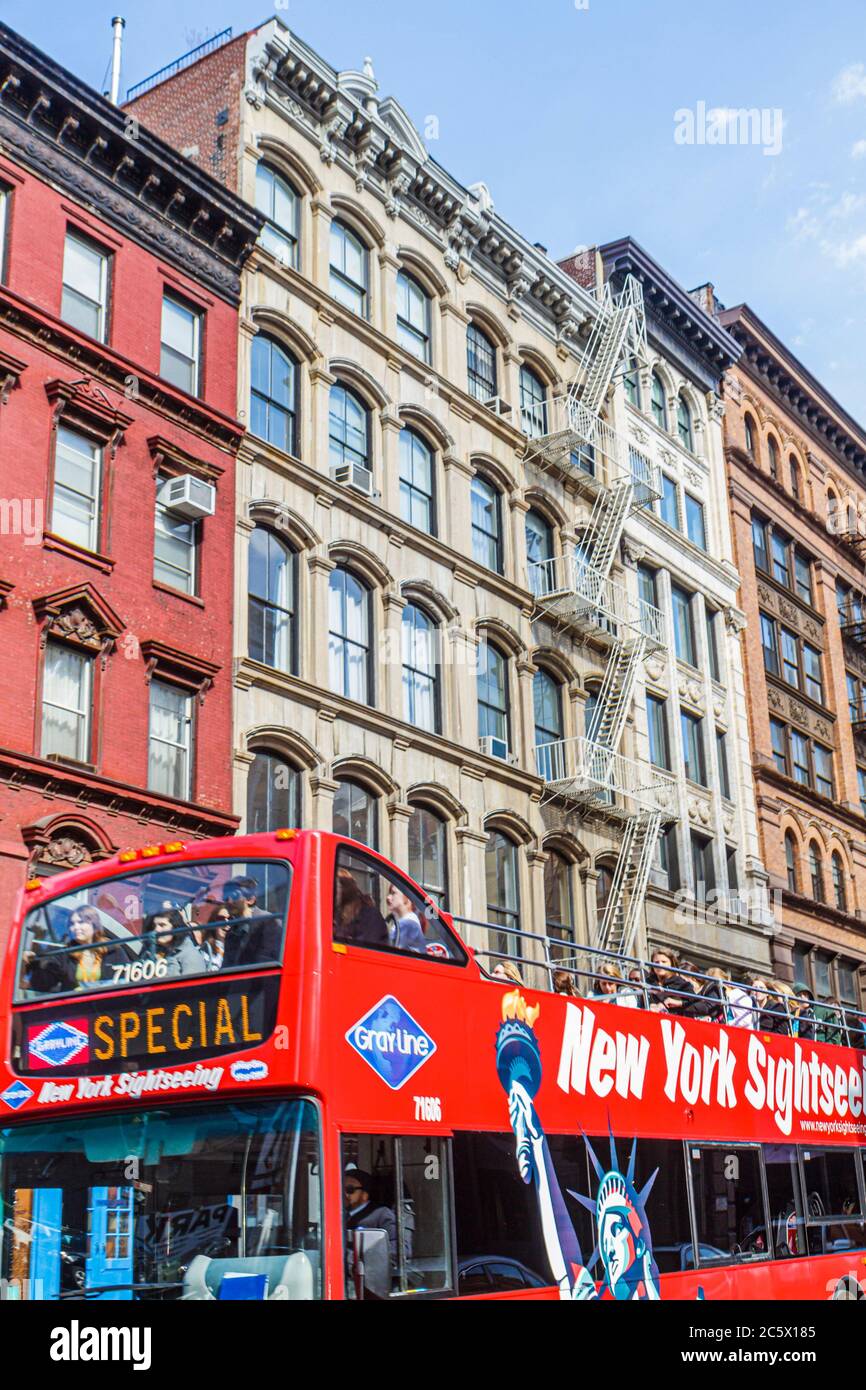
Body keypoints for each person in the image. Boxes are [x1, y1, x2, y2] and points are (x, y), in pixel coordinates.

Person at [26, 905, 128, 992]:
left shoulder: (113, 950)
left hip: (107, 1008)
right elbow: (44, 984)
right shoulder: (65, 953)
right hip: (75, 1010)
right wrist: (34, 962)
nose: (76, 927)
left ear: (94, 925)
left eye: (81, 922)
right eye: (72, 924)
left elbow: (126, 980)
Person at [221, 876, 281, 968]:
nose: (229, 901)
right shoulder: (231, 934)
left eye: (234, 896)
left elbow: (269, 964)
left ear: (250, 900)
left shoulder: (268, 922)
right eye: (225, 897)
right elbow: (226, 968)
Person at [334, 869, 389, 947]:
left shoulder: (369, 915)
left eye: (335, 887)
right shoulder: (337, 915)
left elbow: (367, 948)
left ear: (345, 889)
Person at [647, 950, 696, 1014]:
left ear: (671, 964)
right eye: (656, 962)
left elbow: (695, 1001)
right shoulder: (647, 981)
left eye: (664, 962)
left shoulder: (681, 983)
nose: (660, 965)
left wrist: (678, 1002)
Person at [385, 885, 426, 953]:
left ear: (407, 897)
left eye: (393, 893)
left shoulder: (408, 924)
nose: (388, 898)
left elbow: (393, 953)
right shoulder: (408, 922)